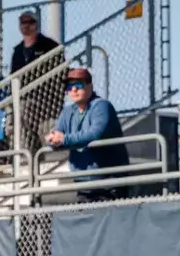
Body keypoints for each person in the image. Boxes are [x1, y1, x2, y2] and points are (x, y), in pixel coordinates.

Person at [46, 67, 126, 201]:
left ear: (90, 86)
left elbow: (94, 134)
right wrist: (52, 139)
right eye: (69, 87)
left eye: (78, 85)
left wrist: (63, 139)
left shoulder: (102, 106)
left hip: (109, 183)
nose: (73, 90)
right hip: (83, 183)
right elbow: (57, 135)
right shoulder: (67, 111)